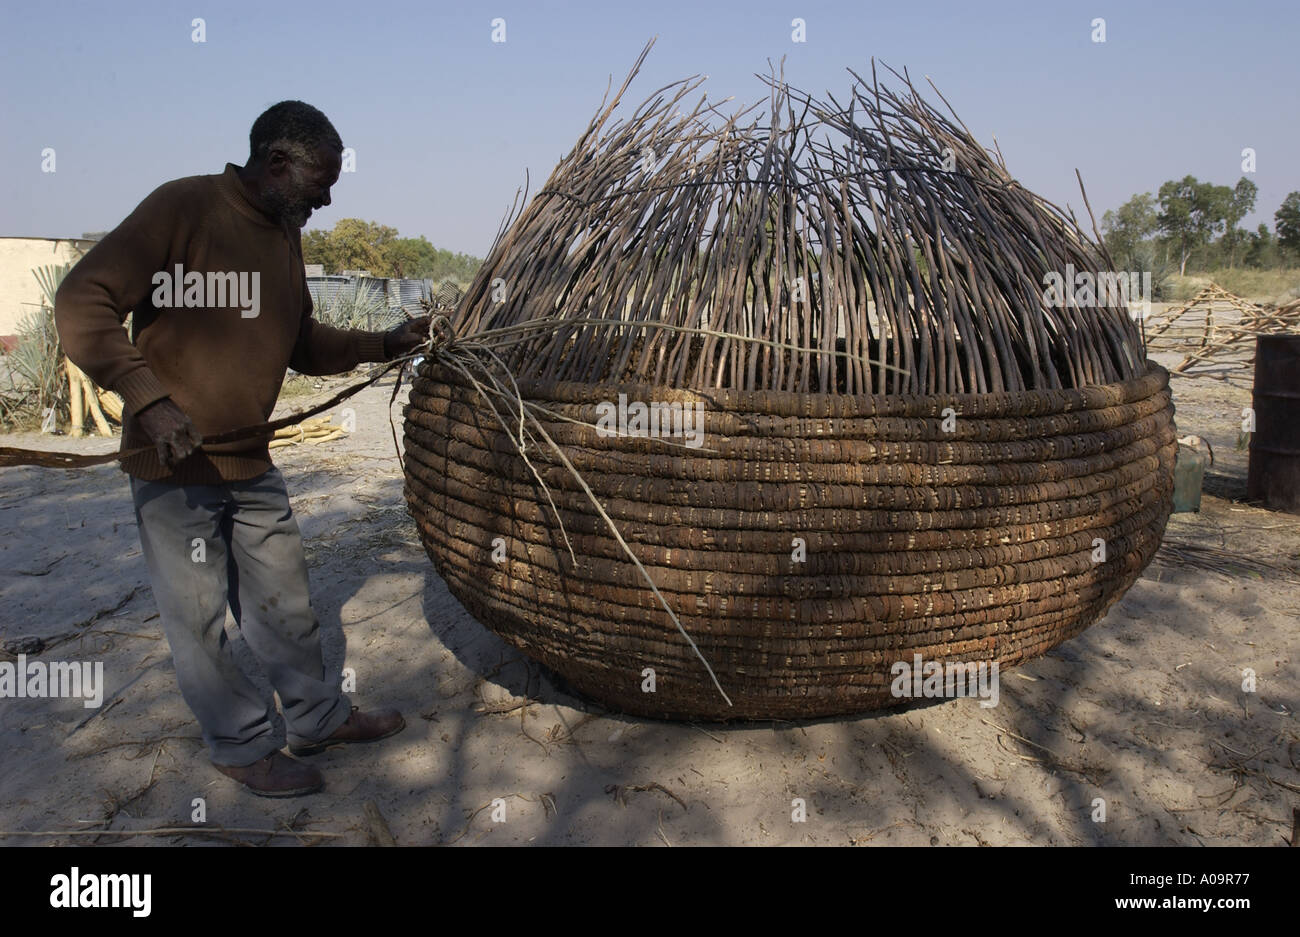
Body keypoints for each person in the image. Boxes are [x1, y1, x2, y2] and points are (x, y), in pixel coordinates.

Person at [55, 101, 429, 797]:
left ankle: (317, 716)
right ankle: (239, 744)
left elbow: (304, 344)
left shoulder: (286, 236)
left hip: (249, 460)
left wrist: (385, 344)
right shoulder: (184, 207)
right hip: (175, 466)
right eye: (322, 179)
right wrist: (150, 399)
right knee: (197, 618)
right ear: (278, 162)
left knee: (284, 601)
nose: (328, 195)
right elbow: (81, 300)